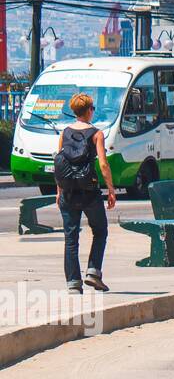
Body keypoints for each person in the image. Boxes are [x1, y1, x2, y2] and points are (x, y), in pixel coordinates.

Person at [55, 92, 116, 293]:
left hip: (68, 192)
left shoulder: (64, 133)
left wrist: (59, 191)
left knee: (70, 237)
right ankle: (93, 272)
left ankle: (73, 283)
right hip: (89, 192)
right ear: (89, 110)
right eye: (93, 109)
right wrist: (111, 188)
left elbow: (59, 164)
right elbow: (104, 164)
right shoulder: (96, 134)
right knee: (100, 231)